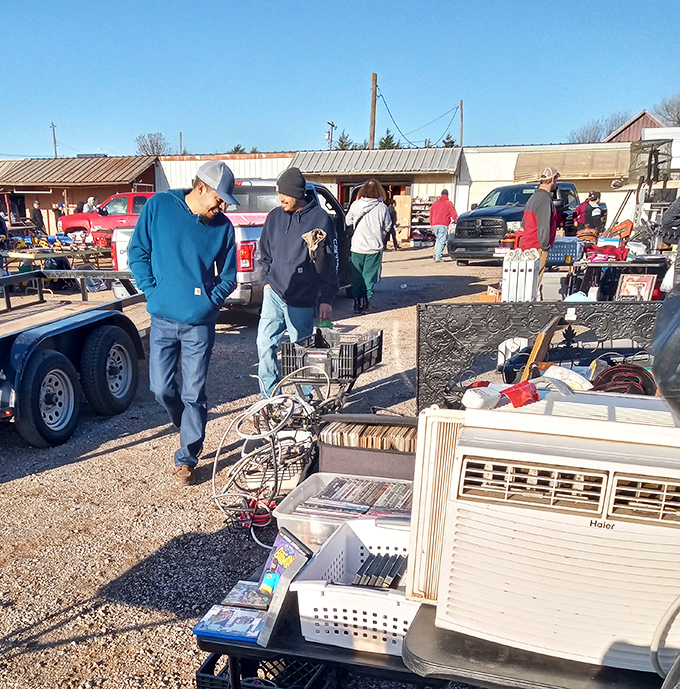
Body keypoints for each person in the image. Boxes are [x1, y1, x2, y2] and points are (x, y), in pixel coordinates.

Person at [128, 160, 238, 486]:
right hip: (162, 319)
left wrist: (208, 302)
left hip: (199, 325)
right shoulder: (159, 206)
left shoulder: (223, 228)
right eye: (219, 199)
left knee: (194, 393)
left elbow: (229, 278)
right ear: (201, 187)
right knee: (160, 389)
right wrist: (152, 290)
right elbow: (138, 253)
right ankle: (186, 423)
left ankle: (187, 457)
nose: (222, 206)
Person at [256, 167, 338, 397]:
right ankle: (270, 398)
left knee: (301, 352)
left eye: (284, 194)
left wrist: (326, 298)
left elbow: (327, 262)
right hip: (274, 292)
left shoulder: (320, 219)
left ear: (298, 194)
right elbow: (263, 252)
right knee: (265, 345)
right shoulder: (274, 217)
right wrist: (265, 281)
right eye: (278, 193)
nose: (280, 198)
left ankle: (307, 400)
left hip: (302, 296)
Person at [345, 179, 391, 314]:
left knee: (357, 276)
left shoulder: (355, 205)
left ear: (363, 191)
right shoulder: (382, 208)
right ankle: (367, 304)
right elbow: (388, 226)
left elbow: (348, 221)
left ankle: (356, 304)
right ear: (379, 192)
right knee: (369, 277)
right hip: (374, 247)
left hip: (357, 247)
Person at [520, 166, 560, 281]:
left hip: (527, 245)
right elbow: (544, 227)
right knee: (535, 281)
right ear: (553, 179)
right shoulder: (545, 200)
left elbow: (524, 223)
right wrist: (545, 248)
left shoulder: (532, 198)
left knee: (527, 281)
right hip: (538, 248)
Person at [429, 189, 457, 262]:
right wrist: (457, 220)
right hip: (443, 224)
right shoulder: (448, 203)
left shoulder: (435, 203)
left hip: (435, 225)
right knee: (442, 241)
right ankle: (438, 257)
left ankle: (436, 254)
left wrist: (432, 224)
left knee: (438, 239)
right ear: (447, 195)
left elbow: (431, 214)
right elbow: (453, 214)